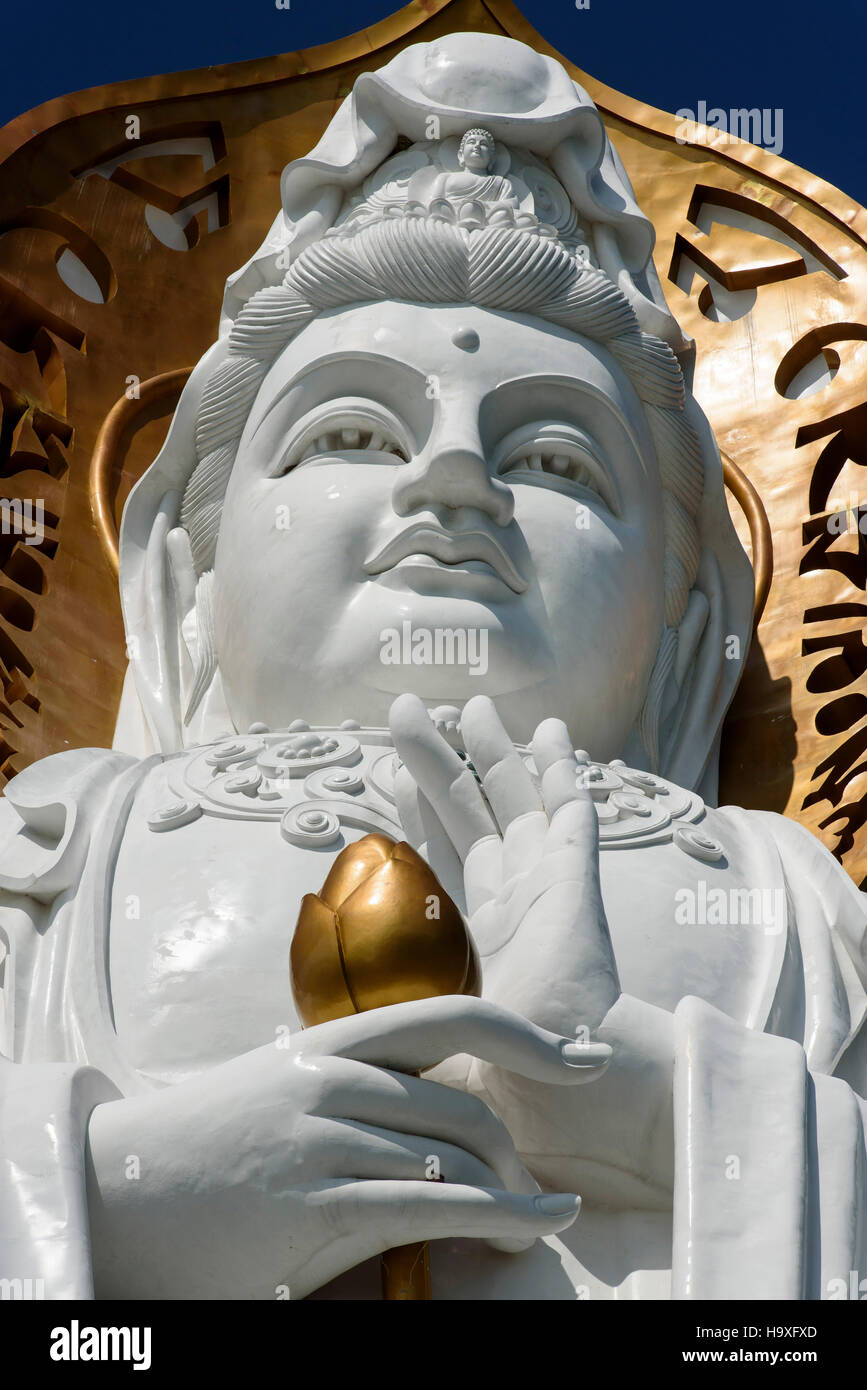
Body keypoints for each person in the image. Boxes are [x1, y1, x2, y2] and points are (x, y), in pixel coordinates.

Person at [0, 31, 864, 1301]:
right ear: (186, 582)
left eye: (556, 459)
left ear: (688, 632)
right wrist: (123, 1197)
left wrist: (628, 1093)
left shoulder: (794, 911)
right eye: (353, 429)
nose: (453, 476)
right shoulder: (51, 857)